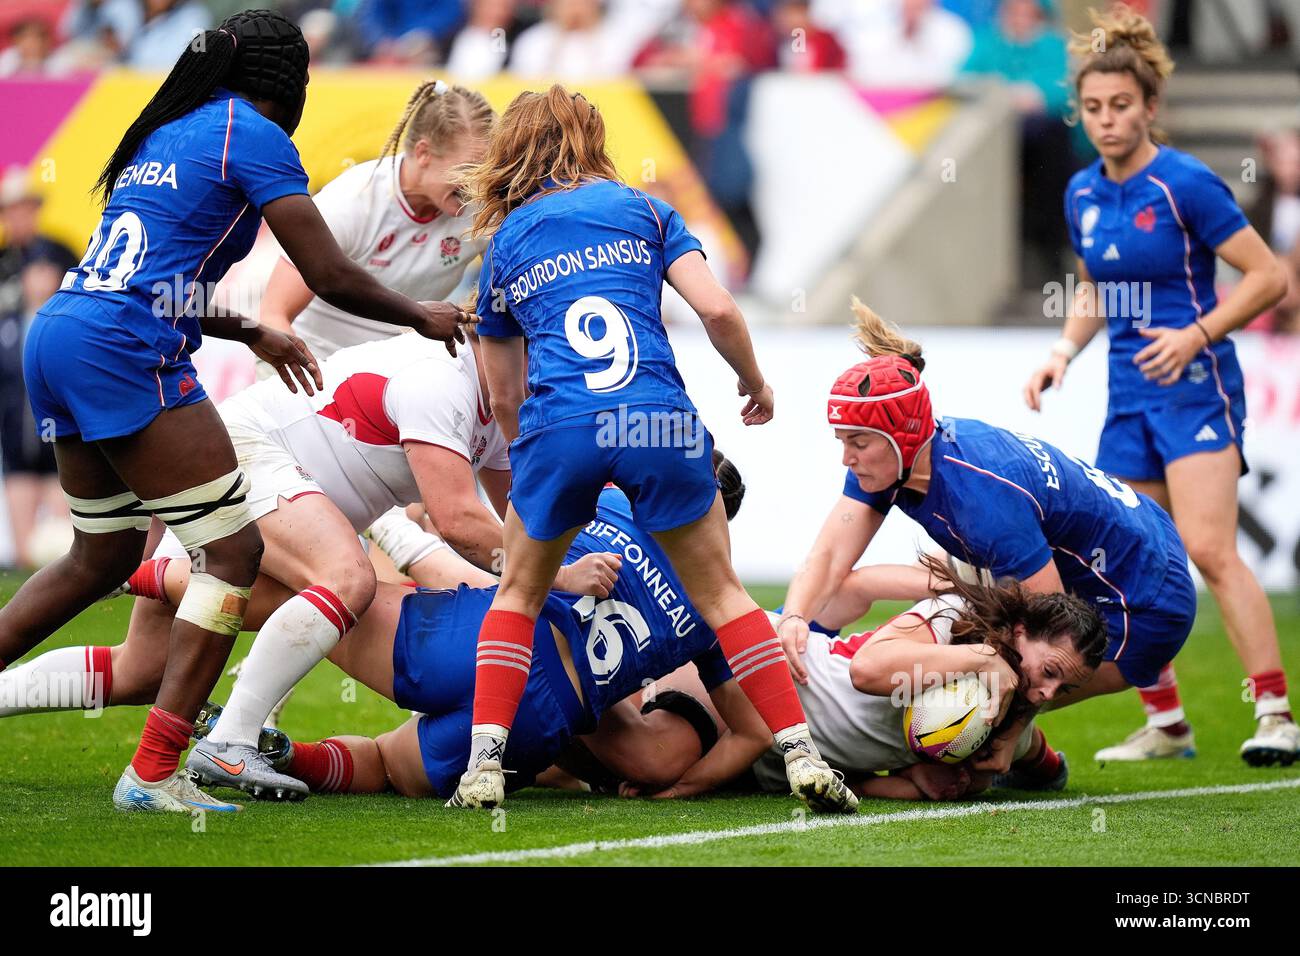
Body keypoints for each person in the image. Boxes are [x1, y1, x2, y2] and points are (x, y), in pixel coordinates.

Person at [0, 9, 468, 815]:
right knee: (234, 553)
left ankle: (154, 719)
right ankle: (154, 773)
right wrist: (418, 315)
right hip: (123, 351)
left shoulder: (168, 129)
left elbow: (150, 275)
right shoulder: (253, 133)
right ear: (283, 80)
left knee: (97, 558)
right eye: (305, 78)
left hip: (63, 334)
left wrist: (250, 328)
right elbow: (324, 269)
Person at [452, 85, 855, 813]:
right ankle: (801, 754)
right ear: (593, 143)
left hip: (561, 426)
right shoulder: (644, 208)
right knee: (726, 598)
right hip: (657, 423)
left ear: (513, 152)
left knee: (518, 592)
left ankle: (483, 766)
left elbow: (504, 394)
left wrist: (541, 457)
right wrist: (755, 382)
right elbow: (719, 307)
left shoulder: (506, 243)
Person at [1022, 5, 1297, 765]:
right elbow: (1095, 290)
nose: (1107, 121)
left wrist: (1196, 332)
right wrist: (1063, 353)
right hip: (1128, 397)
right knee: (1129, 562)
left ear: (1149, 108)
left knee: (1208, 550)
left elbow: (1268, 277)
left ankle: (1274, 713)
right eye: (1094, 109)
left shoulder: (1185, 183)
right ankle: (1167, 723)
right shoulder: (1082, 191)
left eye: (1121, 107)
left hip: (1197, 388)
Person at [779, 299, 1199, 775]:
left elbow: (1046, 629)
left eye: (857, 442)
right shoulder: (904, 458)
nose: (846, 458)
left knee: (1010, 685)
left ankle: (1034, 759)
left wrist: (1007, 731)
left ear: (904, 434)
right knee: (973, 671)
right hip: (1114, 542)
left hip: (1147, 598)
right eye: (843, 441)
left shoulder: (982, 501)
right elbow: (832, 553)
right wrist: (795, 616)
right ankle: (1029, 756)